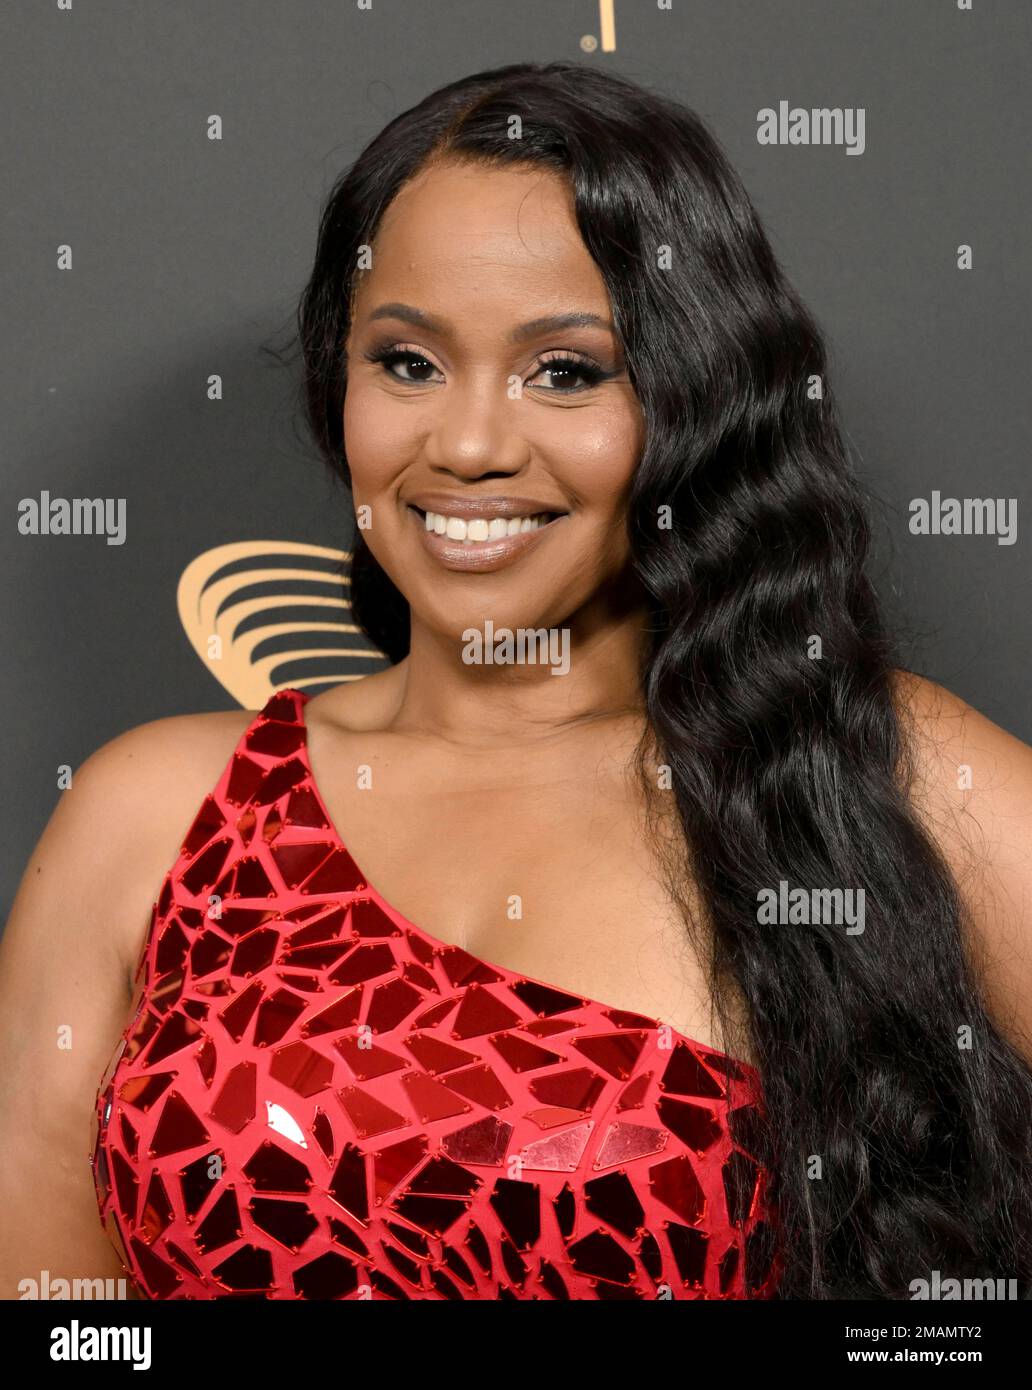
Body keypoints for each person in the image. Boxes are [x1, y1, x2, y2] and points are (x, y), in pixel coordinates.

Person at [2, 61, 1031, 1301]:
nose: (473, 445)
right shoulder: (153, 813)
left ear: (696, 397)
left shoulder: (881, 773)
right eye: (408, 363)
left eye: (567, 371)